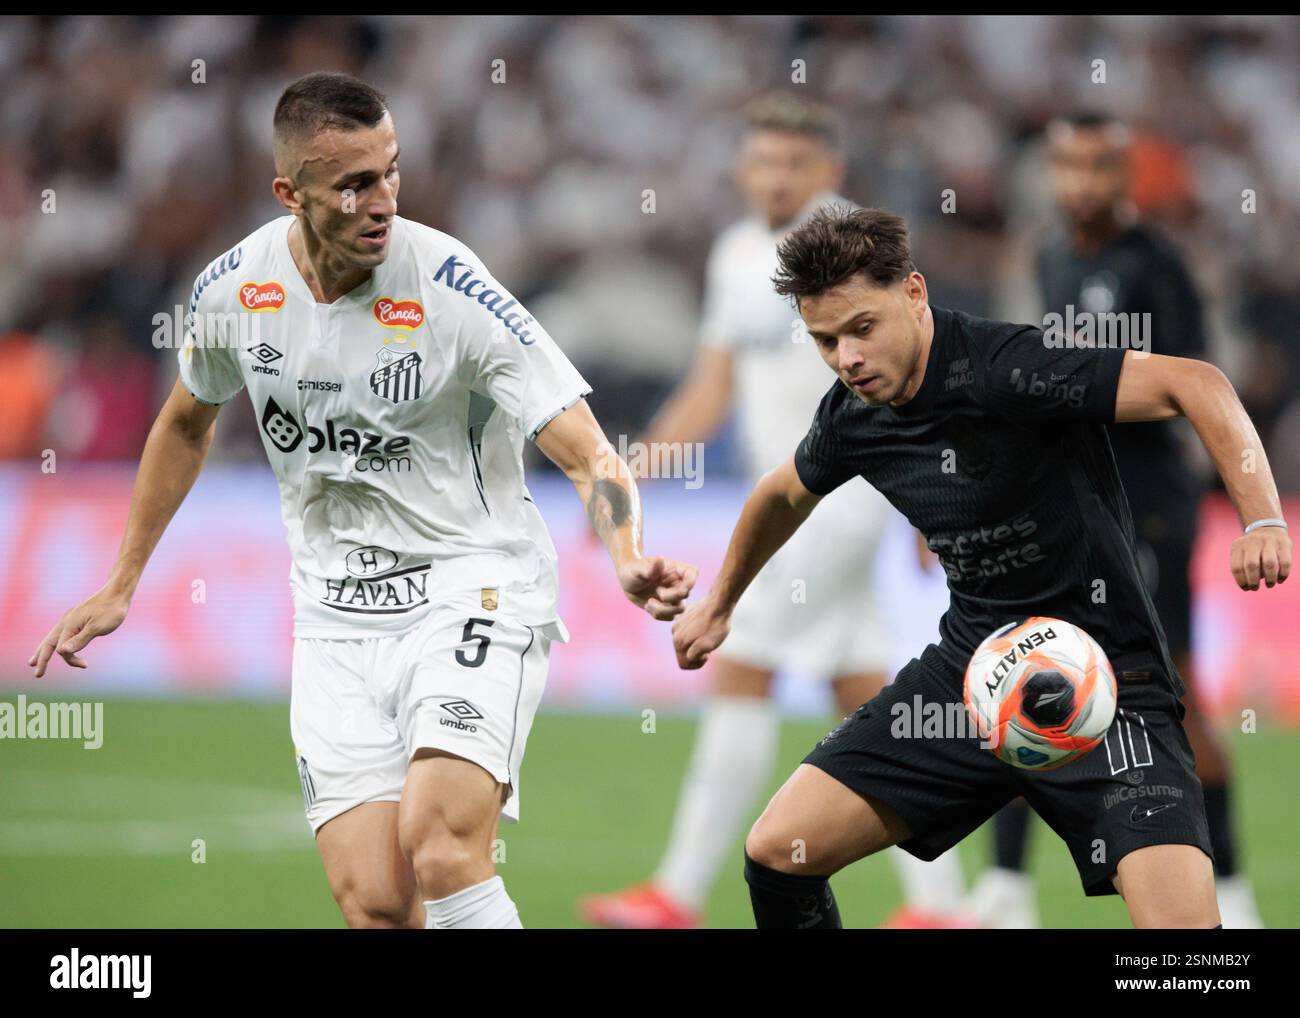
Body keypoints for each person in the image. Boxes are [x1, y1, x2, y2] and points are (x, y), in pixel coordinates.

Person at [28, 71, 696, 930]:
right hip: (334, 618)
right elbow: (186, 424)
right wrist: (122, 581)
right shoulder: (234, 290)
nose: (383, 201)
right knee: (377, 901)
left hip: (472, 586)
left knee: (441, 844)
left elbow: (588, 451)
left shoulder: (452, 290)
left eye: (390, 172)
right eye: (353, 184)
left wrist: (627, 554)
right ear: (290, 194)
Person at [672, 205, 1290, 928]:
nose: (847, 358)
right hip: (973, 679)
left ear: (914, 293)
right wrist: (721, 601)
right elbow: (781, 494)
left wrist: (1262, 518)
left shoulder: (1013, 368)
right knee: (779, 852)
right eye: (825, 340)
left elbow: (1198, 383)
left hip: (1111, 682)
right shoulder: (852, 416)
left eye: (862, 328)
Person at [580, 94, 966, 930]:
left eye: (794, 162)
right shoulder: (736, 255)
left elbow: (917, 369)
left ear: (830, 170)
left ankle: (677, 892)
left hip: (840, 493)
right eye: (762, 161)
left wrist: (931, 500)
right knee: (863, 688)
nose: (776, 177)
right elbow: (713, 383)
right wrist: (632, 476)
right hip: (792, 495)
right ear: (741, 168)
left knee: (742, 663)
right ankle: (942, 906)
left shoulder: (852, 253)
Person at [967, 113, 1263, 929]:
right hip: (1068, 502)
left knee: (1176, 697)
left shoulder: (1158, 265)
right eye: (1067, 165)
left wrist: (1246, 510)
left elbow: (1199, 388)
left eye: (1098, 166)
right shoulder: (1047, 255)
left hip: (1152, 505)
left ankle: (1234, 894)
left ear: (1126, 175)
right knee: (1024, 674)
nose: (1080, 182)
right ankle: (1005, 891)